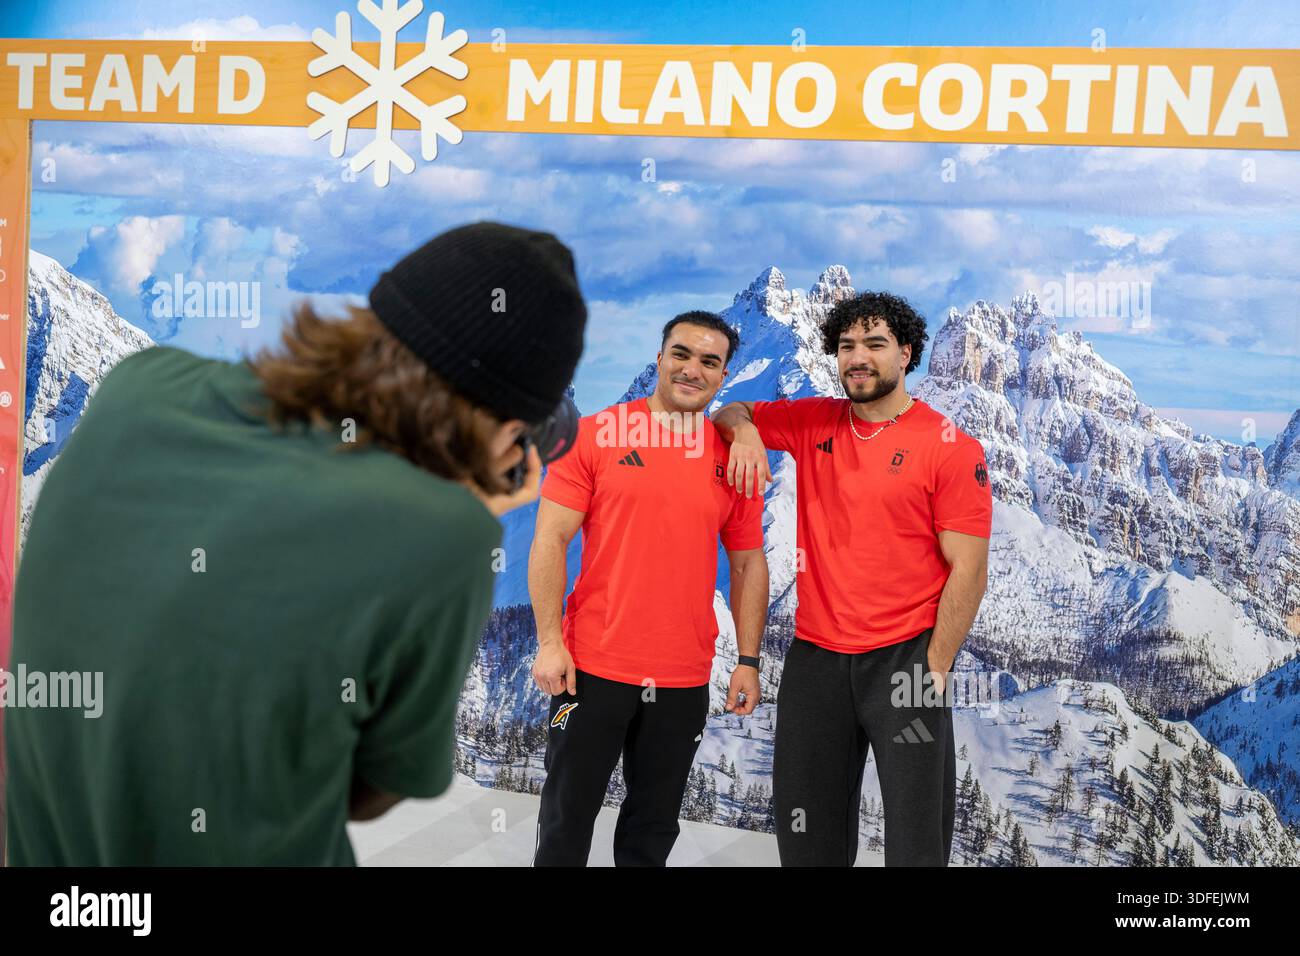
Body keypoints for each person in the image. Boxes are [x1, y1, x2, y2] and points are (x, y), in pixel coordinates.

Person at [4, 221, 587, 865]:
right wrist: (465, 505)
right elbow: (369, 789)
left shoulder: (140, 385)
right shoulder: (444, 538)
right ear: (508, 435)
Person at [712, 291, 991, 866]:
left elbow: (970, 569)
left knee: (917, 838)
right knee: (807, 831)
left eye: (874, 344)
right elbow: (729, 412)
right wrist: (742, 432)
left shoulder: (949, 448)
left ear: (906, 353)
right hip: (816, 659)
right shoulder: (815, 420)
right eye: (846, 346)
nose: (857, 357)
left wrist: (934, 667)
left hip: (905, 661)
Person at [530, 310, 769, 866]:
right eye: (681, 354)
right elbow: (549, 540)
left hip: (683, 679)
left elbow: (749, 565)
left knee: (653, 825)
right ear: (659, 359)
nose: (692, 369)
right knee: (566, 814)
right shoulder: (595, 436)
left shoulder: (733, 455)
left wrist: (749, 658)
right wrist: (549, 641)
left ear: (724, 373)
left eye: (709, 361)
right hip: (588, 670)